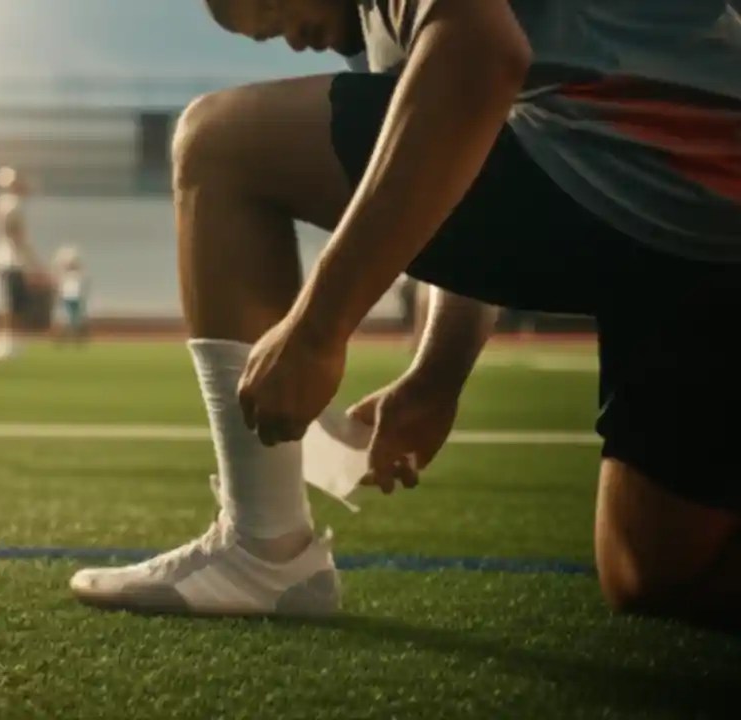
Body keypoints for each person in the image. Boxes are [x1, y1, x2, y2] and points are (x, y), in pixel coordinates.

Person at [70, 0, 741, 633]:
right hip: (688, 242)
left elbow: (477, 58)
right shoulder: (384, 34)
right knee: (657, 576)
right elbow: (460, 138)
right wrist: (435, 376)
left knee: (218, 144)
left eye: (275, 10)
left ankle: (262, 547)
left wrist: (316, 328)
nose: (290, 38)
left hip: (678, 172)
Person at [0, 166, 45, 360]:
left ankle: (9, 338)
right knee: (12, 303)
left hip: (6, 259)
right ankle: (4, 340)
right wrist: (33, 261)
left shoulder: (3, 203)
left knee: (14, 302)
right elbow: (16, 234)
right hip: (11, 259)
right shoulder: (12, 205)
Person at [53, 247, 89, 347]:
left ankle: (76, 339)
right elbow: (60, 287)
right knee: (68, 320)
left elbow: (82, 285)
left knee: (76, 319)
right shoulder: (64, 274)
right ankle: (63, 339)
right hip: (67, 298)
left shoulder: (79, 273)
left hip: (76, 298)